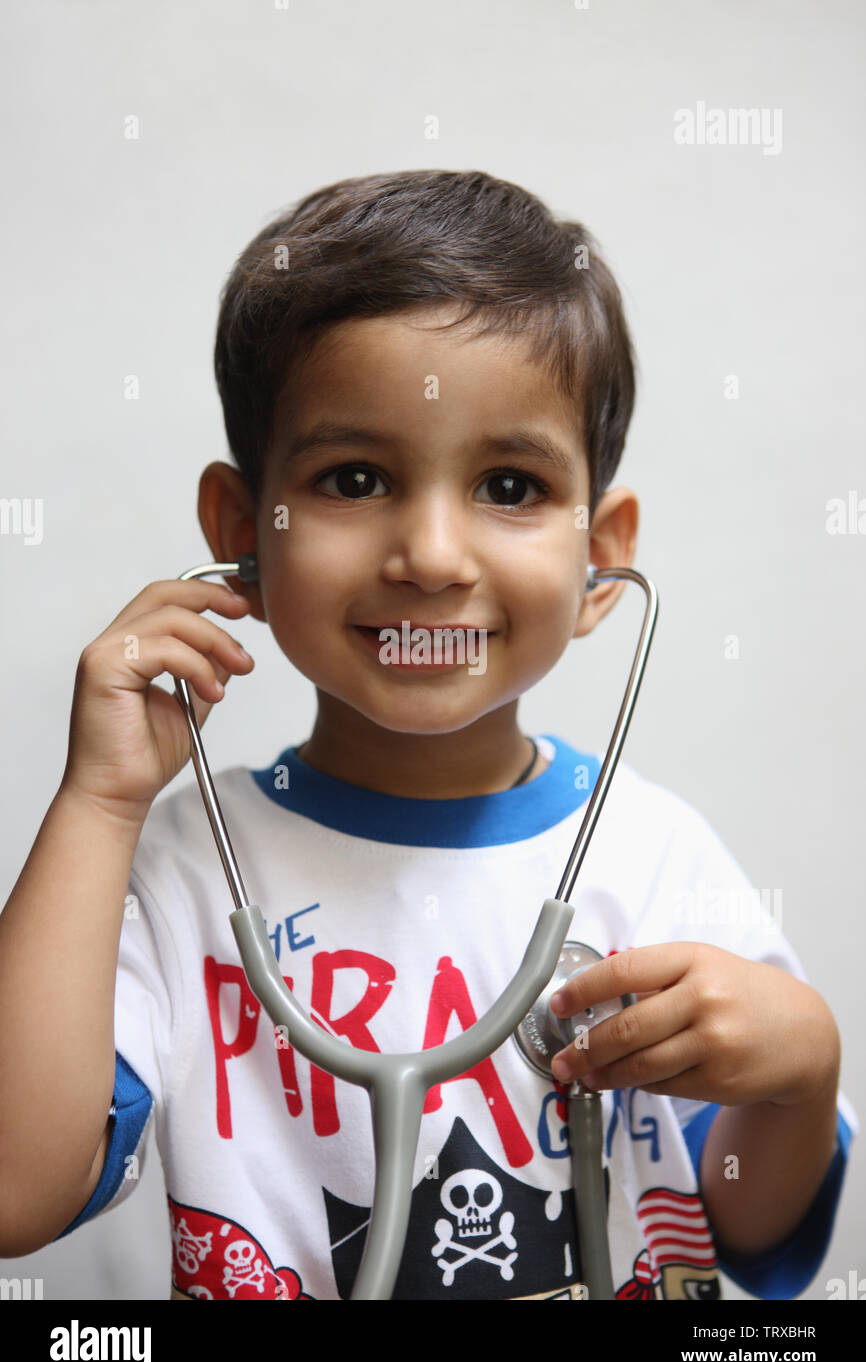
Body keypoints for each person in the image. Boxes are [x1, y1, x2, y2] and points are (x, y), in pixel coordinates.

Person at [0, 169, 856, 1301]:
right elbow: (17, 1194)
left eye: (508, 483)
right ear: (240, 527)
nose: (432, 555)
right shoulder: (172, 868)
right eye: (355, 479)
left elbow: (750, 1225)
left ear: (601, 557)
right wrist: (98, 805)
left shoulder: (653, 858)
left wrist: (797, 1077)